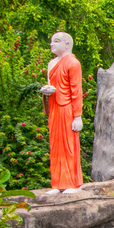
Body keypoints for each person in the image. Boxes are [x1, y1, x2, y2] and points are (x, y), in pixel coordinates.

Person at [41, 32, 83, 194]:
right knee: (56, 145)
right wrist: (46, 92)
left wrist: (77, 116)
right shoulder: (52, 64)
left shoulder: (73, 63)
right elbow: (52, 85)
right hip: (54, 108)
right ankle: (58, 183)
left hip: (67, 109)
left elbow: (76, 91)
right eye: (52, 41)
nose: (52, 44)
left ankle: (72, 182)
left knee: (68, 145)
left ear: (67, 44)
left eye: (56, 41)